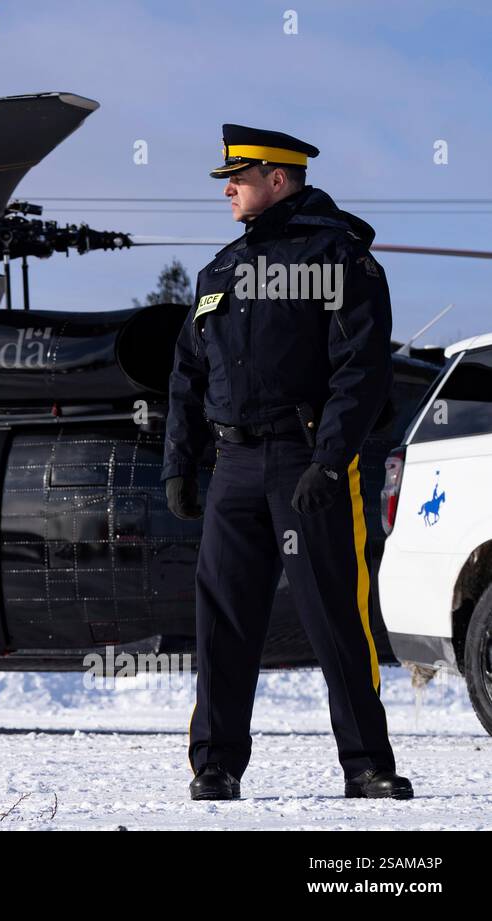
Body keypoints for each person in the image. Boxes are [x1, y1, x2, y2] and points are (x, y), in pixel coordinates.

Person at [162, 124, 413, 801]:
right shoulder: (220, 270)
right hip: (234, 466)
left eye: (237, 178)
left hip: (307, 461)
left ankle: (366, 763)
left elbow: (360, 371)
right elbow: (188, 371)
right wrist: (179, 463)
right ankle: (215, 763)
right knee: (222, 618)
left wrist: (331, 463)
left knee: (337, 613)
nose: (227, 189)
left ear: (279, 178)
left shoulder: (339, 258)